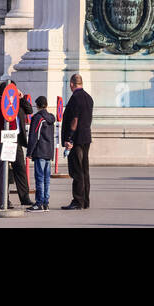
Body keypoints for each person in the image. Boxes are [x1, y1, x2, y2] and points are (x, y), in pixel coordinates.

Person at [61, 73, 93, 210]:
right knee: (85, 170)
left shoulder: (75, 98)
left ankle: (78, 201)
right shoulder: (88, 98)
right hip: (86, 137)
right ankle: (85, 200)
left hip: (77, 139)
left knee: (77, 170)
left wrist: (69, 138)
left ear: (71, 84)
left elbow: (74, 119)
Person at [26, 94, 55, 212]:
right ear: (46, 105)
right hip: (48, 151)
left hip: (40, 151)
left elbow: (34, 136)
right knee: (46, 178)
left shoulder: (38, 118)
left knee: (39, 178)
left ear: (37, 105)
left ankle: (39, 203)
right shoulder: (51, 118)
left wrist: (29, 151)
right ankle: (46, 203)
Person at [11, 94, 33, 207]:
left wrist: (21, 98)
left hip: (17, 141)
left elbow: (30, 110)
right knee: (4, 172)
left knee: (20, 170)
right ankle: (4, 199)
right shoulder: (2, 104)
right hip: (5, 141)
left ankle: (25, 198)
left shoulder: (19, 103)